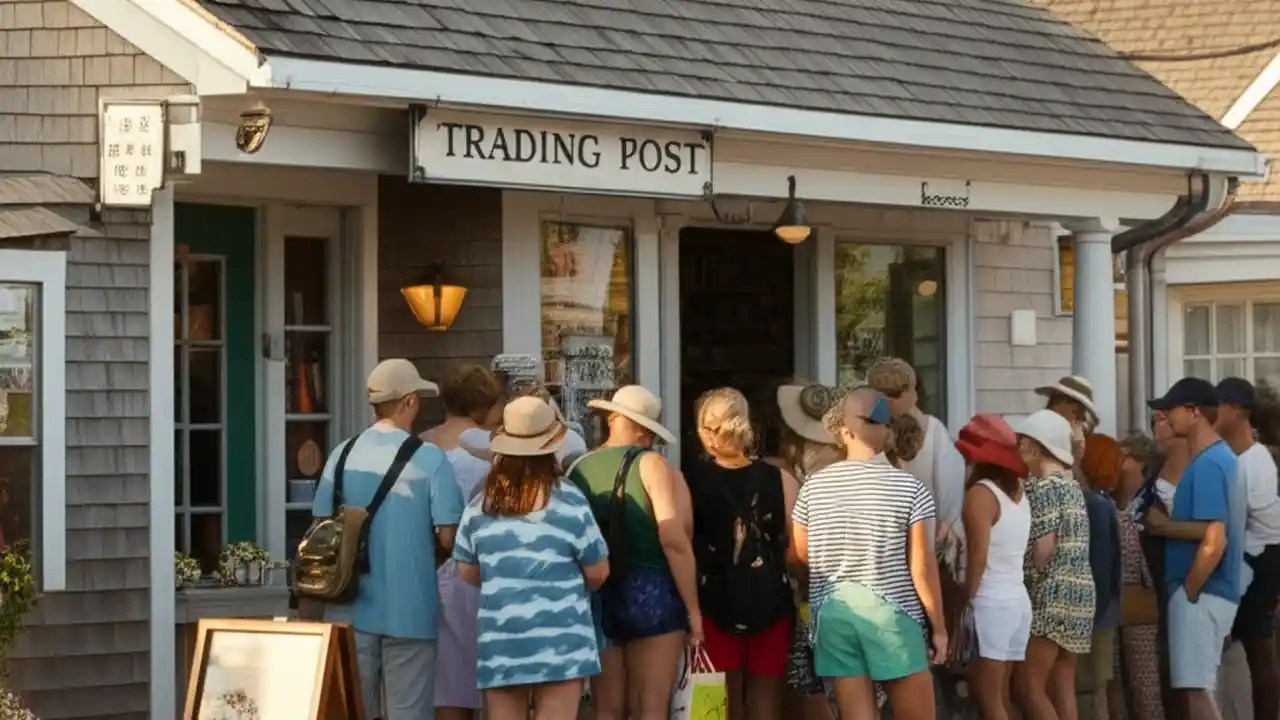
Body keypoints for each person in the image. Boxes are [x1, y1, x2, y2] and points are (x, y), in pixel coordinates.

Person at [311, 359, 465, 720]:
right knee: (408, 712)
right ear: (409, 401)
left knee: (354, 711)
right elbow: (448, 537)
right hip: (409, 607)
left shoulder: (341, 454)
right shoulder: (429, 458)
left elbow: (320, 526)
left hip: (346, 605)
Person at [791, 386, 946, 720]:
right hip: (891, 613)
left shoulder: (813, 488)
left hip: (833, 612)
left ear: (843, 431)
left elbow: (802, 554)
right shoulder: (910, 488)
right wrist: (939, 627)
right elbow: (922, 567)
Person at [453, 396, 610, 720]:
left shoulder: (480, 505)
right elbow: (598, 572)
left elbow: (466, 571)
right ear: (551, 447)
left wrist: (508, 578)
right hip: (562, 641)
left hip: (502, 639)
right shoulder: (571, 501)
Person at [570, 385, 700, 720]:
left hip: (598, 591)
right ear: (646, 429)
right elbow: (673, 540)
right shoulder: (652, 463)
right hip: (651, 590)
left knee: (607, 708)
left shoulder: (578, 468)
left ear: (612, 418)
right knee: (650, 707)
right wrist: (693, 609)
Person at [689, 388, 797, 720]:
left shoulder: (689, 480)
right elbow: (798, 549)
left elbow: (682, 544)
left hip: (711, 601)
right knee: (766, 698)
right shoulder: (781, 479)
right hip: (770, 597)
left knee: (715, 699)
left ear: (704, 430)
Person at [1145, 378, 1244, 720]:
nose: (1165, 416)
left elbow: (1215, 536)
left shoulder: (1209, 463)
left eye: (1170, 409)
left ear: (1194, 412)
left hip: (1201, 593)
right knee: (1198, 689)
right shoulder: (1216, 459)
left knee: (1196, 690)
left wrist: (1189, 591)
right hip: (1208, 592)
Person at [421, 364, 504, 720]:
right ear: (484, 405)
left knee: (449, 684)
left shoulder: (420, 446)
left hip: (439, 569)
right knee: (499, 686)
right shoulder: (499, 451)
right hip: (493, 572)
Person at [763, 383, 841, 720]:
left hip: (816, 590)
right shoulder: (854, 464)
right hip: (862, 593)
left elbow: (799, 553)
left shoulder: (797, 477)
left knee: (811, 683)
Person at [1012, 409, 1095, 720]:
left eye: (1022, 442)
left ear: (1035, 447)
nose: (1018, 449)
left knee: (1028, 687)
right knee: (1062, 685)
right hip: (1080, 594)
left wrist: (1026, 572)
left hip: (1051, 594)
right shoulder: (1073, 487)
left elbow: (1044, 548)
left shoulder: (1042, 487)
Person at [957, 413, 1031, 720]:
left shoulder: (981, 494)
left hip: (990, 602)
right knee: (1002, 696)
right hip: (1017, 601)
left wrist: (964, 600)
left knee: (986, 698)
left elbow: (978, 557)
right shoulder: (1018, 491)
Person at [1215, 377, 1280, 720]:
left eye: (1219, 405)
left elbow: (1242, 518)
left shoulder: (1257, 461)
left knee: (1259, 650)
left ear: (1237, 410)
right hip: (1239, 558)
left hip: (1259, 558)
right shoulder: (1231, 457)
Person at [865, 358, 966, 545]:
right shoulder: (934, 431)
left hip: (879, 542)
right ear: (911, 394)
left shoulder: (860, 434)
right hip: (924, 539)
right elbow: (950, 488)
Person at [1116, 432, 1166, 720]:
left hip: (1144, 602)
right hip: (1117, 604)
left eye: (1124, 458)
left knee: (1146, 687)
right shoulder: (1112, 499)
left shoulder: (1152, 500)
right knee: (1120, 690)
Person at [1077, 434, 1125, 720]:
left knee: (1089, 688)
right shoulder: (1100, 503)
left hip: (1095, 611)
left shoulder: (1095, 504)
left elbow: (1100, 563)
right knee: (1095, 689)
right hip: (1101, 610)